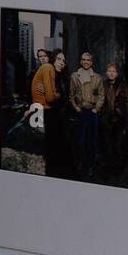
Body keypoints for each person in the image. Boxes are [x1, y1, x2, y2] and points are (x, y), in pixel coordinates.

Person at [69, 50, 105, 180]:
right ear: (80, 61)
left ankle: (90, 166)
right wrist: (76, 108)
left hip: (92, 113)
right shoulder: (74, 76)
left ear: (91, 62)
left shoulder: (97, 77)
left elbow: (101, 95)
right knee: (79, 140)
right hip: (80, 112)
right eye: (83, 59)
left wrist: (97, 108)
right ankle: (80, 164)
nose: (86, 62)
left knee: (92, 141)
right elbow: (71, 96)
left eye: (88, 60)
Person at [44, 49, 78, 180]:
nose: (61, 63)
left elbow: (68, 100)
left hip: (61, 120)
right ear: (53, 59)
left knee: (64, 155)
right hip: (48, 119)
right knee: (51, 153)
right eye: (59, 59)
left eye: (63, 61)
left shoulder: (65, 78)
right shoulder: (47, 75)